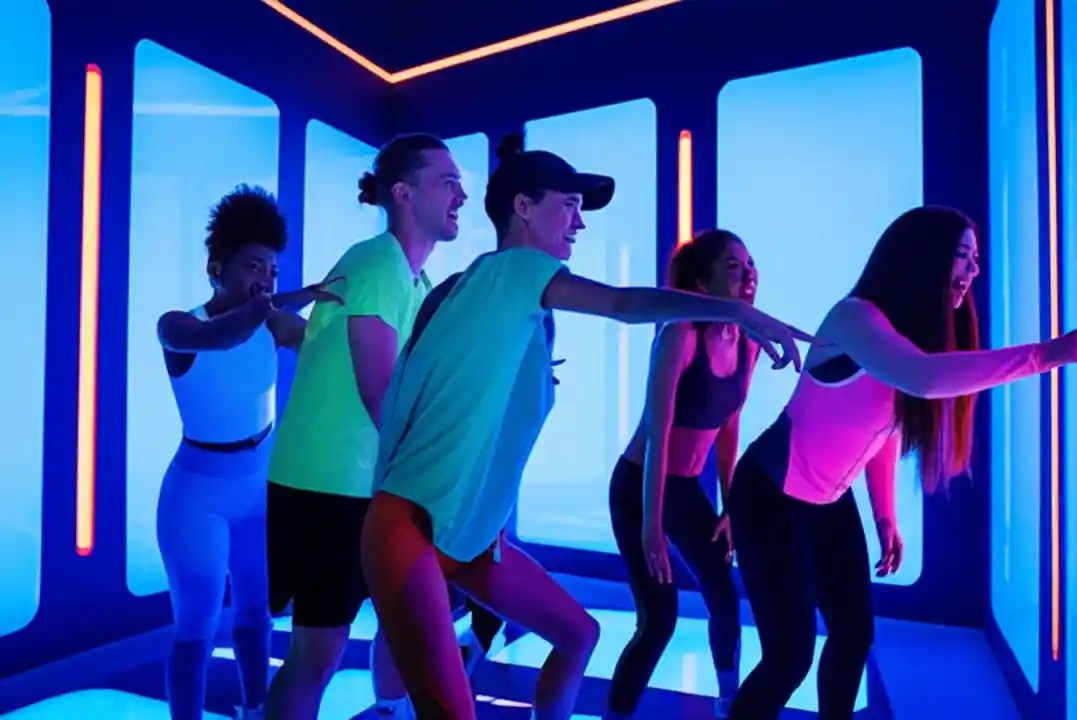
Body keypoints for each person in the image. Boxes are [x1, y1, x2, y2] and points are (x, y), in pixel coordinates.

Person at [360, 136, 816, 720]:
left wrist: (485, 513)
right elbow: (624, 304)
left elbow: (441, 410)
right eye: (568, 204)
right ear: (523, 208)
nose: (578, 222)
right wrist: (740, 312)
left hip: (456, 531)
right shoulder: (519, 268)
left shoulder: (480, 291)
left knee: (578, 635)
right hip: (408, 528)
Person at [725, 206, 1077, 720]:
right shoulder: (854, 317)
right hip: (767, 496)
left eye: (975, 259)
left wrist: (885, 514)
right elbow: (923, 379)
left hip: (827, 502)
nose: (973, 272)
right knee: (789, 656)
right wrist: (1047, 354)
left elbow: (881, 430)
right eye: (962, 256)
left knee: (853, 635)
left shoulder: (907, 339)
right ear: (921, 257)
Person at [264, 133, 466, 720]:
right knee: (317, 653)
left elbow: (360, 366)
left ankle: (387, 710)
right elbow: (380, 392)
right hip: (328, 487)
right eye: (446, 182)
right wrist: (435, 482)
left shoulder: (414, 281)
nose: (462, 194)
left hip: (367, 488)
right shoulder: (377, 261)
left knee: (406, 619)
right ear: (403, 194)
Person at [154, 185, 341, 720]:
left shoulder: (273, 321)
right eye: (252, 266)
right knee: (196, 627)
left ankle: (258, 711)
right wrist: (289, 296)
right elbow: (225, 336)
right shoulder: (177, 325)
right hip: (197, 499)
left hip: (258, 490)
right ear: (216, 269)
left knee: (257, 618)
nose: (264, 279)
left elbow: (336, 351)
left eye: (272, 270)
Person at [605, 229, 761, 720]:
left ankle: (728, 702)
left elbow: (729, 429)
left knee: (724, 593)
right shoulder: (679, 333)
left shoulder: (748, 344)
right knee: (660, 619)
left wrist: (730, 505)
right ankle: (618, 712)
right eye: (733, 266)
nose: (748, 274)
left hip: (685, 489)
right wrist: (651, 525)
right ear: (702, 280)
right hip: (639, 485)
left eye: (750, 263)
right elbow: (659, 434)